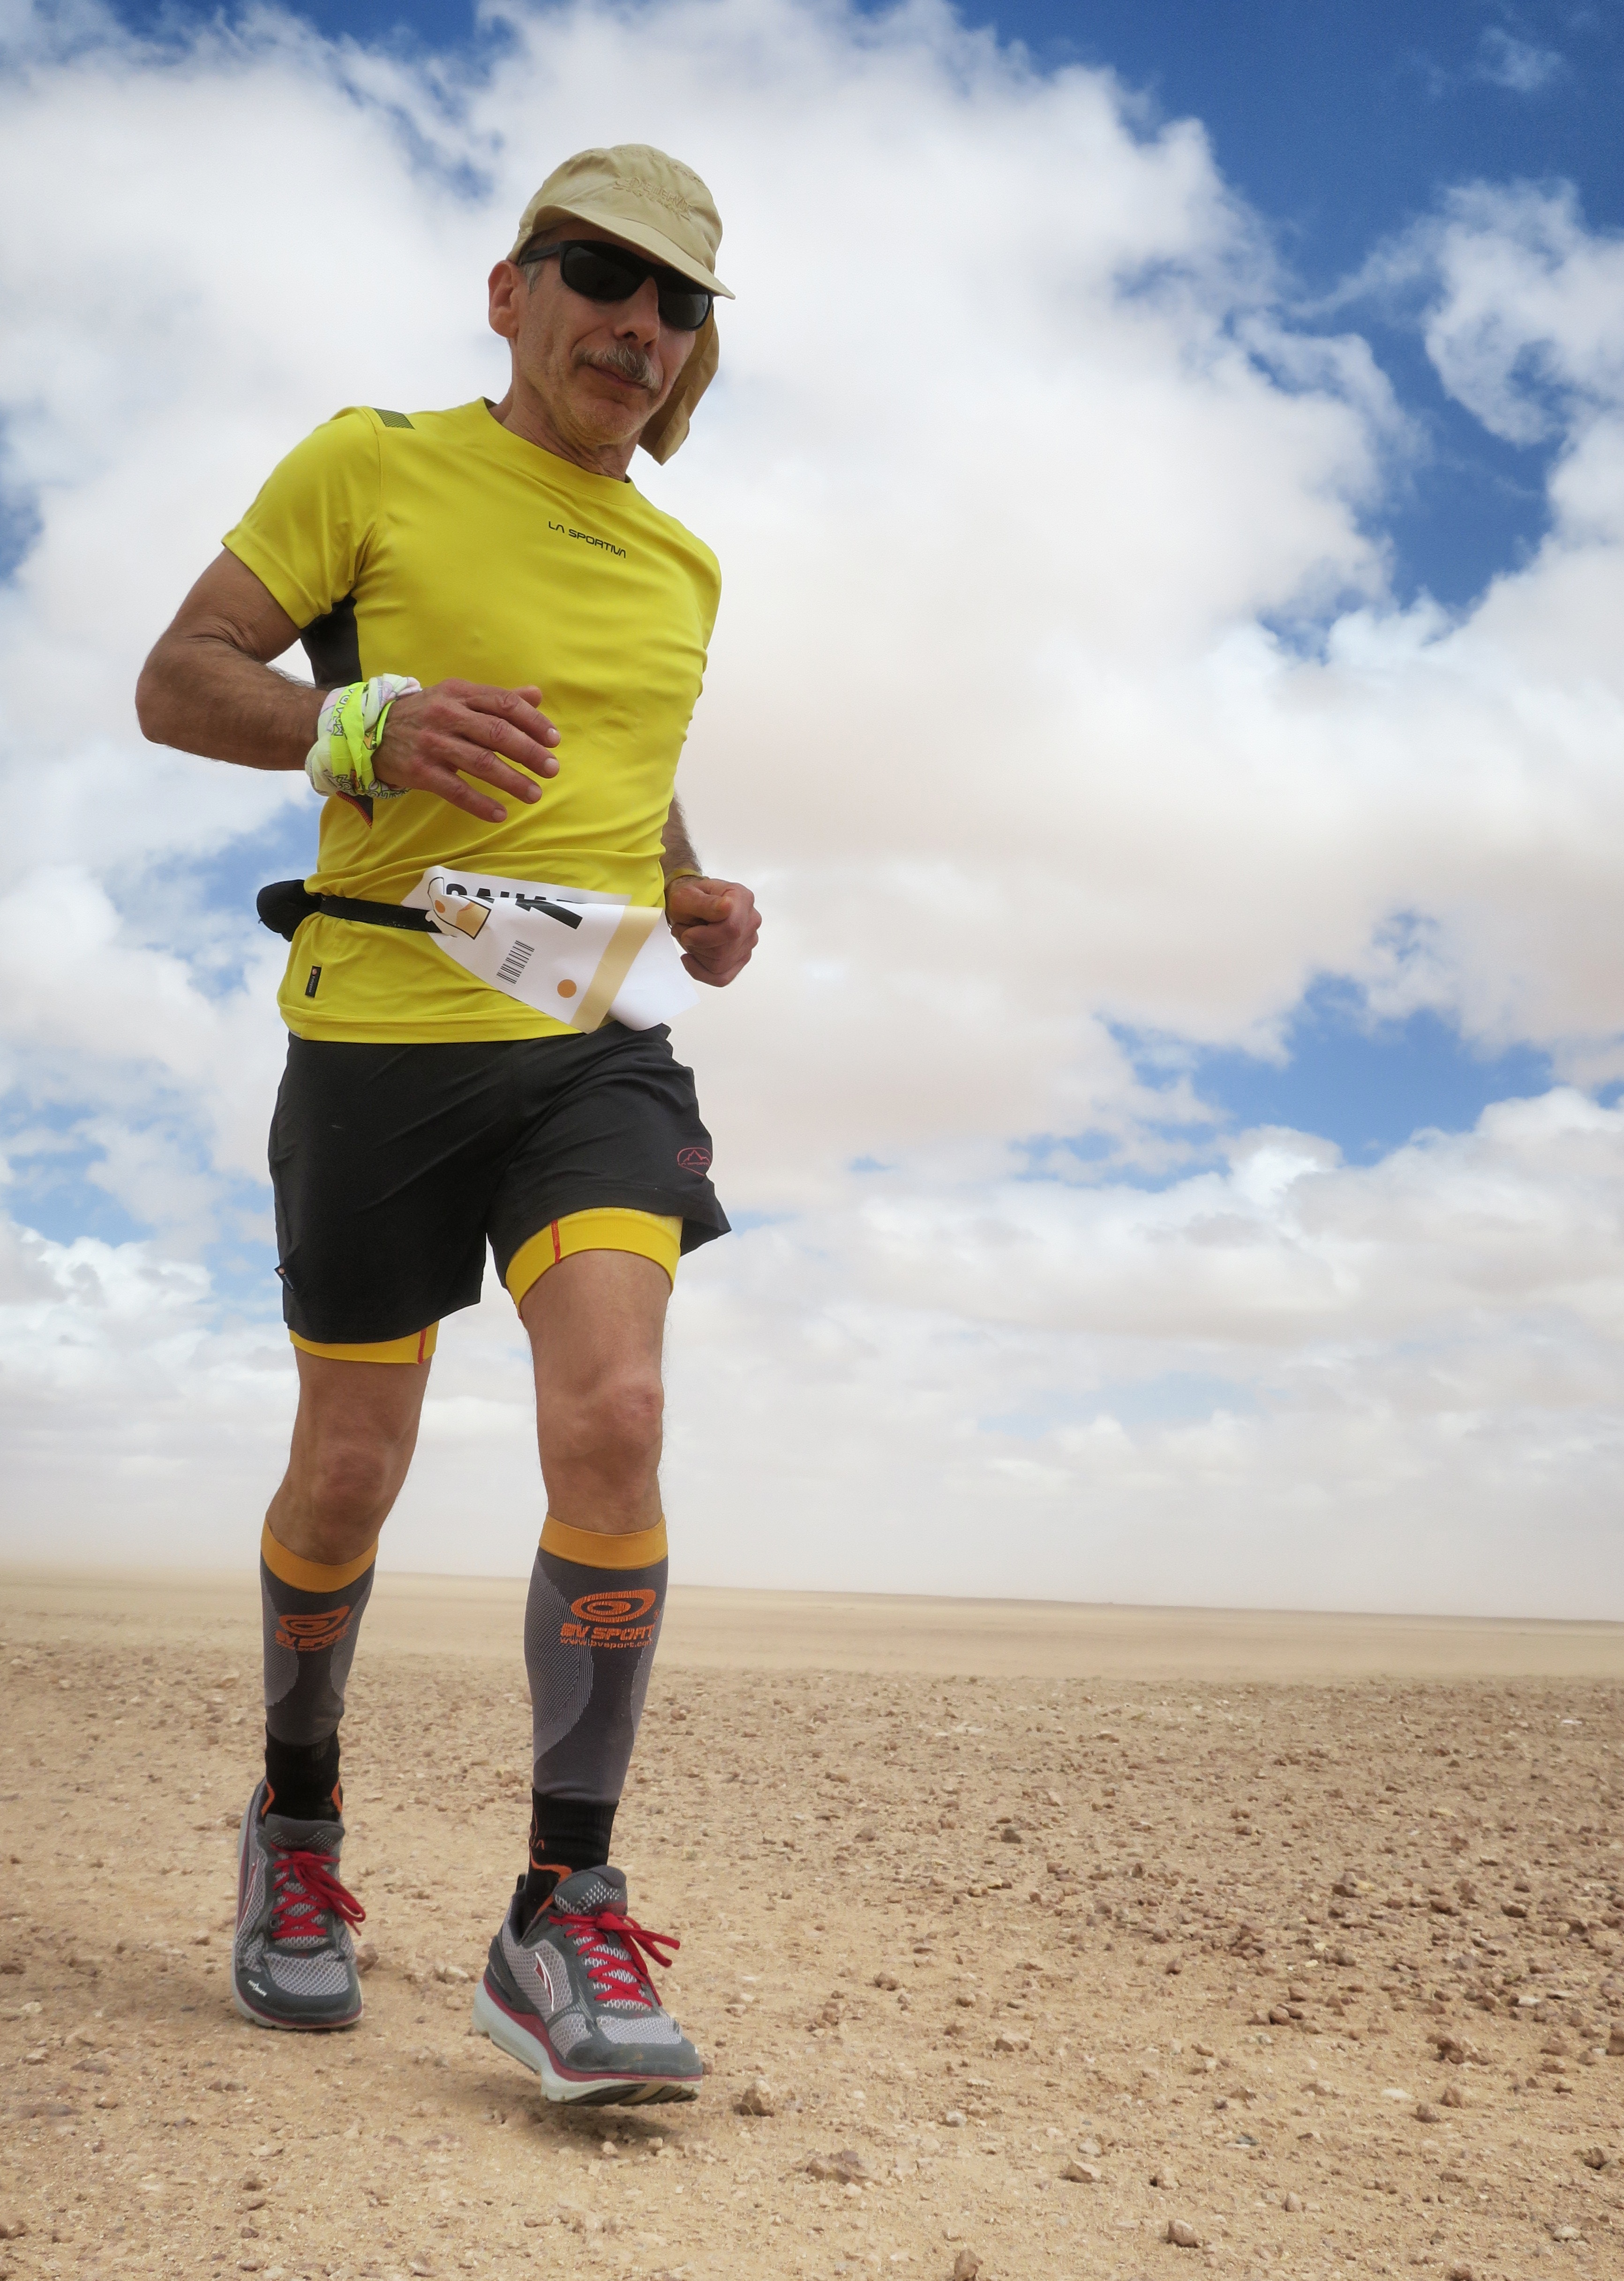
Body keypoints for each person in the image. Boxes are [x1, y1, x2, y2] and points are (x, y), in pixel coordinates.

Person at [134, 144, 759, 2105]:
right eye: (601, 272)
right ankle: (296, 1831)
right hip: (383, 1031)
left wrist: (700, 884)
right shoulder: (371, 464)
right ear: (513, 292)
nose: (639, 323)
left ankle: (558, 1907)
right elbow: (181, 681)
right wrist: (362, 724)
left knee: (619, 1416)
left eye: (679, 302)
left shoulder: (684, 564)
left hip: (589, 1044)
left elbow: (620, 774)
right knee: (348, 1468)